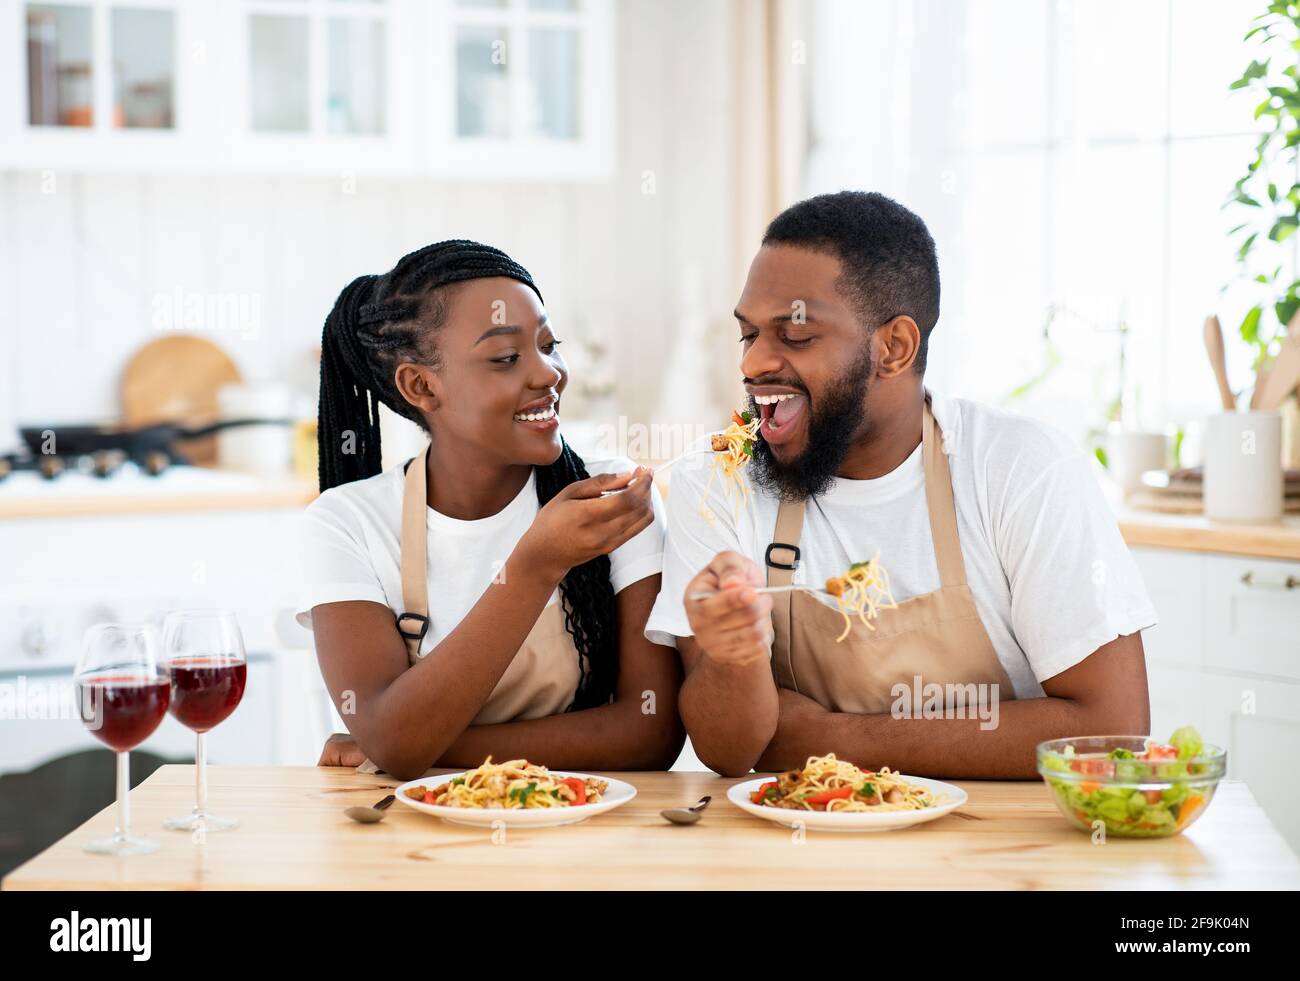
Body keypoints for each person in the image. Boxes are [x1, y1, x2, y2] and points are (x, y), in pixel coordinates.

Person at [646, 191, 1156, 778]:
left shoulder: (1019, 468)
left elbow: (1109, 732)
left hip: (997, 856)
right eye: (748, 334)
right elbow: (730, 750)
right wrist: (734, 660)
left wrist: (827, 738)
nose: (754, 363)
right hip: (798, 847)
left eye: (794, 335)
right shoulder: (715, 480)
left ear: (894, 348)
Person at [298, 240, 683, 780]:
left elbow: (650, 732)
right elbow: (388, 732)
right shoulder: (348, 523)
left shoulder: (606, 494)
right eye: (506, 357)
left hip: (582, 833)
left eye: (550, 345)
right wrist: (535, 565)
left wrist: (413, 747)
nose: (548, 374)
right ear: (421, 386)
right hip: (411, 844)